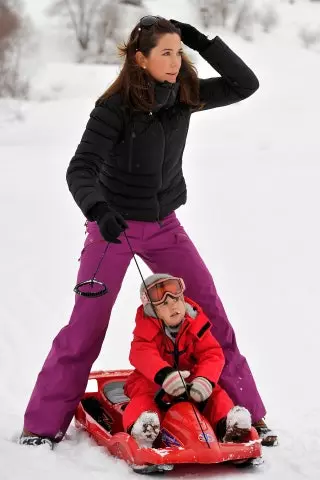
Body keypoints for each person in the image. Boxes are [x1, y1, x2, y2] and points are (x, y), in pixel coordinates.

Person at [20, 16, 277, 449]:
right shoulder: (114, 107)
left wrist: (199, 40)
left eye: (179, 52)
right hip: (113, 227)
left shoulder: (184, 97)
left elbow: (244, 83)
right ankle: (42, 427)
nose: (175, 62)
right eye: (166, 52)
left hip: (164, 226)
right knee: (85, 328)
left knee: (210, 314)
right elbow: (79, 168)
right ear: (141, 58)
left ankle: (248, 414)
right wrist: (98, 209)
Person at [123, 273, 252, 448]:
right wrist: (164, 375)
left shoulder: (195, 325)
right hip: (153, 380)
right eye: (165, 304)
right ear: (153, 311)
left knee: (217, 394)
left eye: (176, 300)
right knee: (143, 394)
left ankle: (228, 426)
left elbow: (211, 353)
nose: (173, 306)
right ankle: (144, 428)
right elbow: (141, 353)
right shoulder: (146, 329)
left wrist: (205, 379)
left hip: (189, 381)